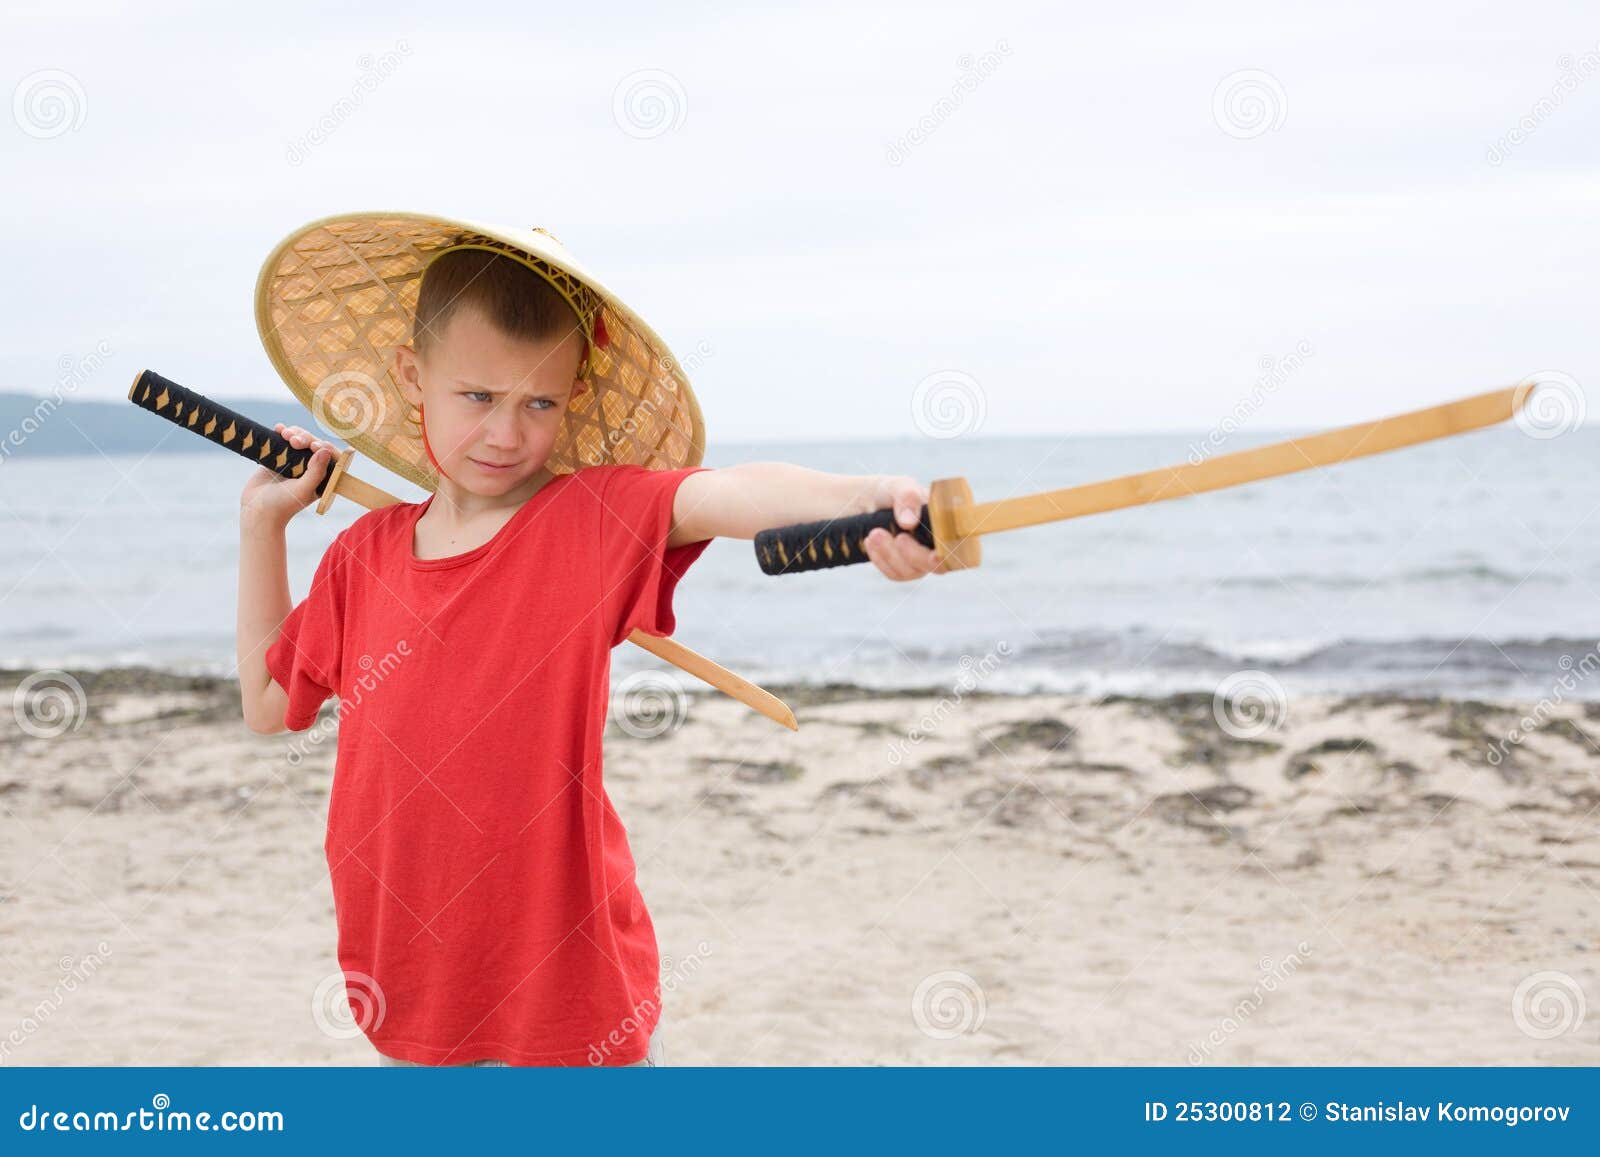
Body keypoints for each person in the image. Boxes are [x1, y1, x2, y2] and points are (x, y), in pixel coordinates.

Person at [235, 215, 942, 1066]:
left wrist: (869, 497)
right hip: (405, 980)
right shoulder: (365, 556)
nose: (506, 434)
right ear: (411, 375)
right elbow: (271, 705)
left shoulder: (588, 520)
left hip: (568, 992)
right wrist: (260, 526)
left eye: (540, 402)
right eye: (478, 397)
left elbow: (729, 493)